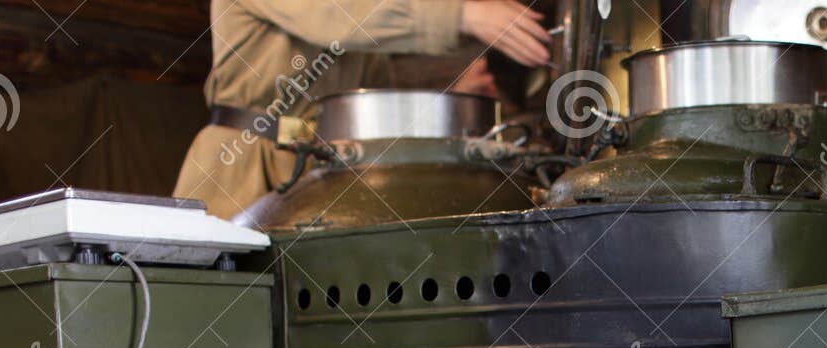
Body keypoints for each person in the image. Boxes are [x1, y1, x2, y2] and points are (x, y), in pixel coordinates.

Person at [174, 0, 550, 218]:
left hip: (317, 170)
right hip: (241, 166)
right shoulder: (346, 14)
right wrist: (463, 15)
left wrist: (448, 99)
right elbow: (334, 19)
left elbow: (362, 108)